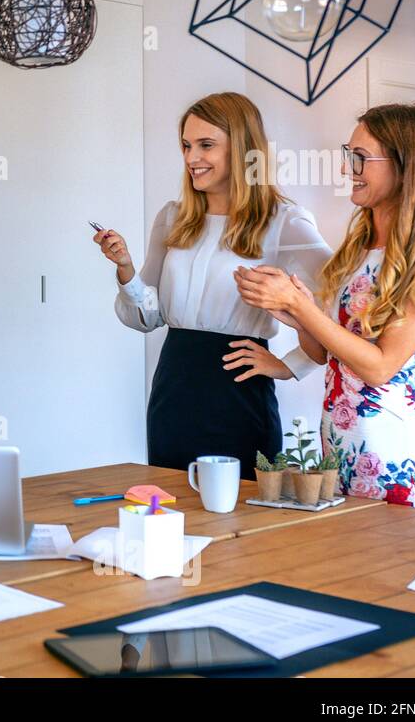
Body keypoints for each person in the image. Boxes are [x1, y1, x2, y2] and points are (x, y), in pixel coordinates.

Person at [236, 104, 415, 510]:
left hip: (393, 458)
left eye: (360, 158)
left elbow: (379, 367)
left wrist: (301, 307)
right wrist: (294, 312)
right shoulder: (358, 248)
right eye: (349, 155)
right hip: (338, 451)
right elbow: (327, 354)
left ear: (406, 166)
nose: (347, 169)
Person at [93, 92, 331, 480]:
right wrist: (126, 270)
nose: (191, 158)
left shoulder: (283, 221)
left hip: (239, 390)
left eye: (206, 145)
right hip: (174, 385)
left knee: (244, 517)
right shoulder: (173, 217)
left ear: (241, 150)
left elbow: (343, 296)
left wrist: (292, 366)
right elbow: (148, 318)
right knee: (172, 506)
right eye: (186, 146)